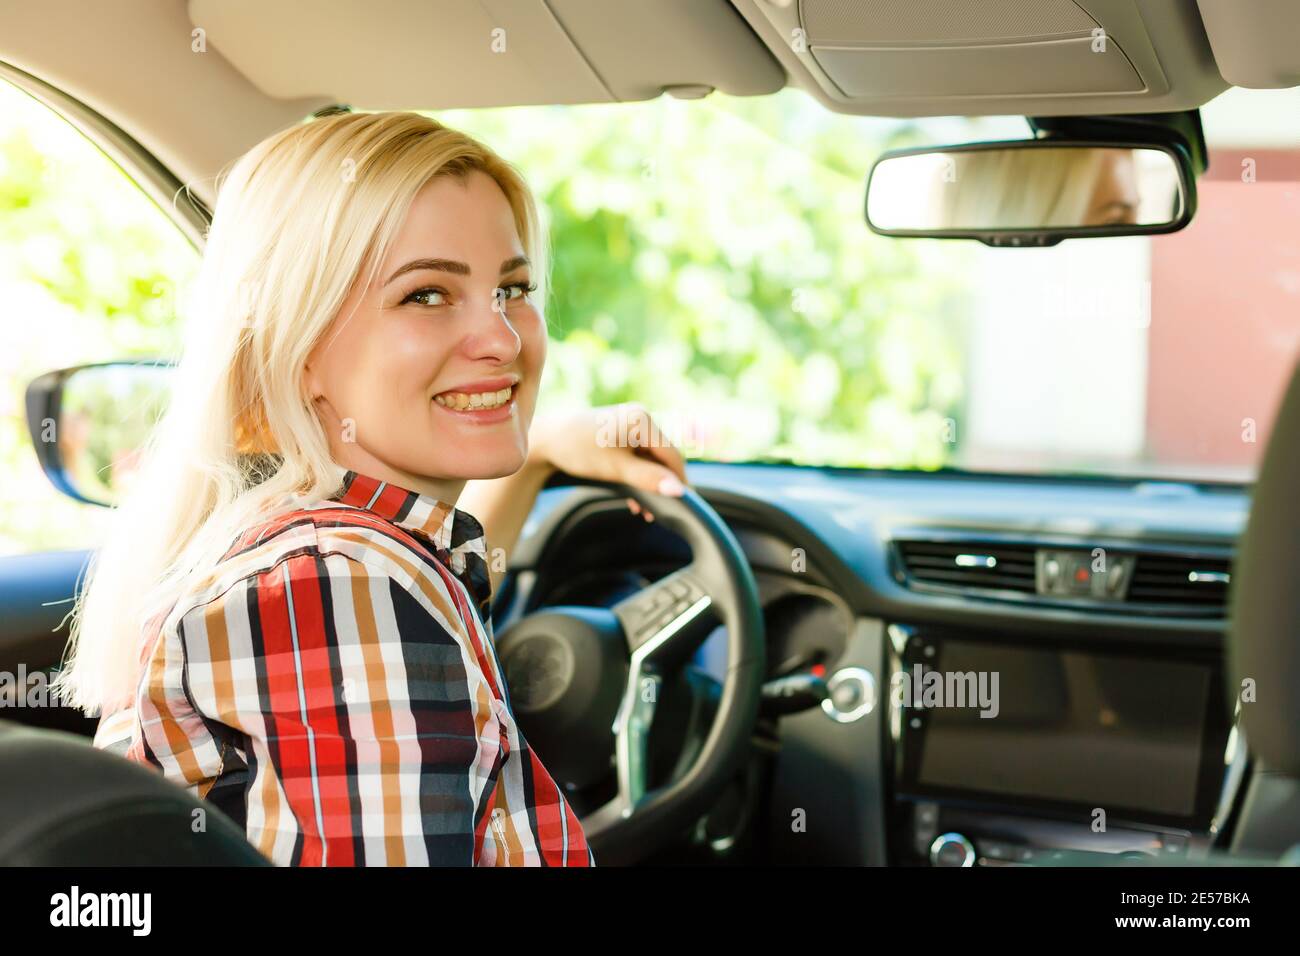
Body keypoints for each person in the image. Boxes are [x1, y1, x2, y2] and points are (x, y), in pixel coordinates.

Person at [59, 111, 688, 866]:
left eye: (512, 288)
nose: (505, 339)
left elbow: (431, 579)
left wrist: (541, 452)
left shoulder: (326, 554)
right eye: (426, 295)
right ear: (299, 353)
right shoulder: (333, 589)